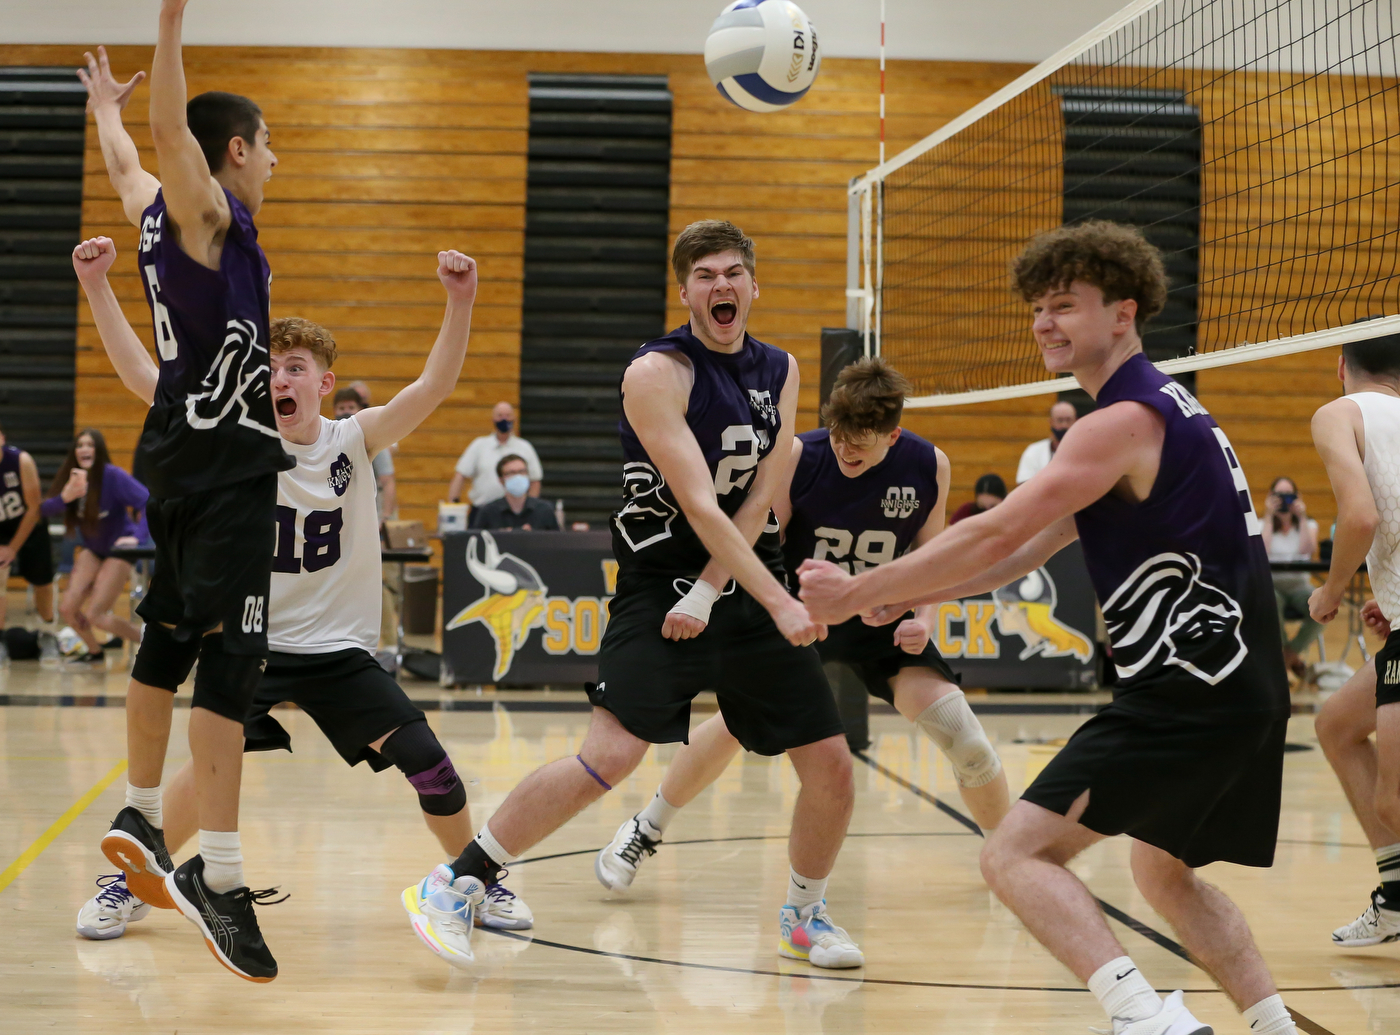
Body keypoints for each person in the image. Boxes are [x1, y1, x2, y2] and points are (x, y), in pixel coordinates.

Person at [798, 220, 1297, 1035]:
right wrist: (904, 596)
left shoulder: (1120, 421)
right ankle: (1272, 1027)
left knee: (1013, 854)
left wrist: (856, 591)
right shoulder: (1164, 408)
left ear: (1124, 314)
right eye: (1037, 308)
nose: (1044, 324)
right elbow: (1017, 554)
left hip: (1187, 692)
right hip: (1242, 687)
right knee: (1163, 875)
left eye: (1065, 306)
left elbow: (992, 530)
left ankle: (1148, 1022)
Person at [403, 219, 862, 971]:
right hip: (659, 582)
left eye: (733, 273)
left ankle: (804, 915)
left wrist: (725, 593)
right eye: (705, 275)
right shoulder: (657, 373)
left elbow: (756, 503)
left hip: (739, 578)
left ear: (753, 285)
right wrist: (776, 602)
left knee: (832, 766)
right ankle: (457, 883)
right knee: (610, 754)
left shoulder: (780, 369)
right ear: (684, 292)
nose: (721, 285)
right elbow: (700, 506)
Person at [73, 242, 533, 954]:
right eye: (270, 367)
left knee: (431, 764)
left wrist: (461, 301)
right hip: (249, 647)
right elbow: (144, 372)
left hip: (340, 655)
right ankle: (131, 882)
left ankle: (473, 879)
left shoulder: (354, 439)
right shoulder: (232, 435)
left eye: (295, 368)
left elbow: (434, 386)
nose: (279, 377)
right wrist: (97, 286)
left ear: (324, 383)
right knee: (205, 773)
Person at [76, 0, 295, 982]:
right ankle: (219, 868)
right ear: (237, 152)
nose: (277, 160)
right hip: (228, 461)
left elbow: (131, 156)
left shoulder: (153, 217)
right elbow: (167, 135)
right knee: (235, 658)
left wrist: (99, 117)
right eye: (271, 142)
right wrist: (168, 25)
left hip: (174, 454)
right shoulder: (206, 211)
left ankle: (136, 812)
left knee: (165, 642)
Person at [594, 357, 1009, 896]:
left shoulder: (929, 465)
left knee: (964, 735)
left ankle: (1010, 857)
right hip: (801, 614)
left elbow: (931, 554)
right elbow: (749, 537)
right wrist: (716, 595)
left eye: (861, 440)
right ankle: (645, 829)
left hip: (880, 617)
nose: (846, 449)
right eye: (839, 435)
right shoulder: (800, 456)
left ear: (893, 434)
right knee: (731, 725)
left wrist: (923, 618)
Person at [1308, 331, 1400, 947]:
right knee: (1338, 723)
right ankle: (1396, 900)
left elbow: (1361, 515)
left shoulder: (1339, 412)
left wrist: (1332, 590)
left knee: (1396, 803)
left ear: (1342, 365)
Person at [42, 429, 148, 667]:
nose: (84, 449)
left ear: (98, 451)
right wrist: (65, 497)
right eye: (80, 445)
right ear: (75, 452)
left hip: (118, 551)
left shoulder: (112, 476)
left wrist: (138, 538)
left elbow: (147, 501)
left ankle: (154, 644)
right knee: (68, 609)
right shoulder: (73, 477)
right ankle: (94, 651)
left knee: (95, 616)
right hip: (93, 548)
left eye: (90, 444)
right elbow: (42, 511)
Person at [0, 421, 59, 661]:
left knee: (42, 582)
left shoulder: (20, 461)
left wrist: (13, 547)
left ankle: (47, 632)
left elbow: (34, 508)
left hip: (30, 525)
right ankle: (1, 640)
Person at [1261, 475, 1322, 677]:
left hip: (1299, 586)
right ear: (1271, 497)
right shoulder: (1261, 523)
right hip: (1272, 586)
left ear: (1297, 497)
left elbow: (1307, 550)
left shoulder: (1309, 524)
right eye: (1279, 495)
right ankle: (1291, 661)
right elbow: (1261, 551)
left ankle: (1288, 656)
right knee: (1270, 603)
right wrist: (1269, 517)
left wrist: (1302, 517)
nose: (1284, 500)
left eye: (1289, 495)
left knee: (1323, 607)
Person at [447, 401, 542, 511]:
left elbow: (535, 480)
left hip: (516, 511)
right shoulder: (479, 445)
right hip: (482, 509)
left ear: (514, 419)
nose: (504, 419)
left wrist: (531, 509)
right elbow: (460, 475)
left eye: (508, 415)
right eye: (500, 415)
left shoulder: (525, 447)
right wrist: (452, 505)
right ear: (493, 419)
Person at [333, 387, 396, 522]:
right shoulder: (329, 438)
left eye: (351, 407)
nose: (346, 412)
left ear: (360, 410)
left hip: (372, 510)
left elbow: (388, 481)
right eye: (341, 408)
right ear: (334, 410)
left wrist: (385, 516)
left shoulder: (372, 438)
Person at [474, 454, 559, 531]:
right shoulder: (488, 512)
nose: (518, 476)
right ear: (501, 480)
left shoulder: (544, 509)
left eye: (522, 472)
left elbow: (555, 542)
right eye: (511, 473)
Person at [1015, 399, 1077, 483]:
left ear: (1076, 421)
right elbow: (1023, 485)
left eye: (1068, 420)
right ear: (1051, 422)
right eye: (1060, 420)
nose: (1064, 425)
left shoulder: (1085, 451)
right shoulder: (1034, 451)